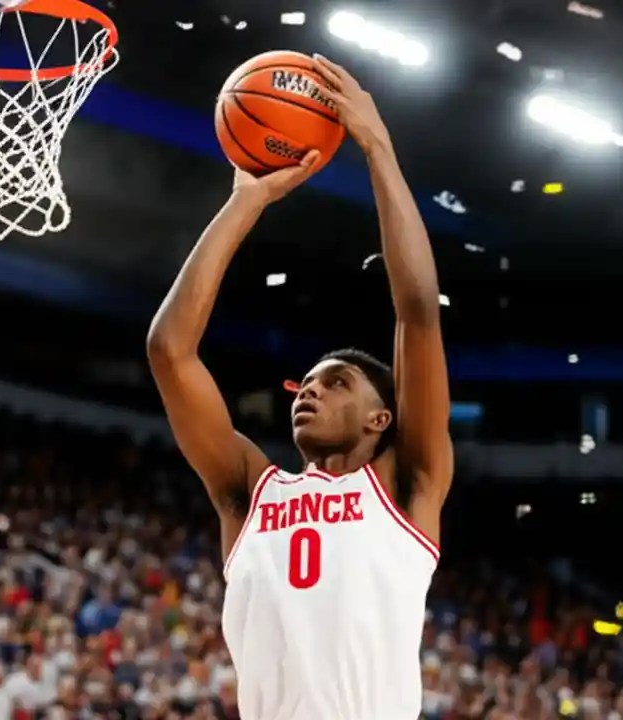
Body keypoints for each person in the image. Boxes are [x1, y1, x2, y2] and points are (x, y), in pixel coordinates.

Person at [146, 54, 452, 720]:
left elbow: (418, 310)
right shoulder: (250, 491)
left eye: (336, 384)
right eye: (305, 385)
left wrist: (378, 148)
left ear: (381, 420)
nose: (308, 393)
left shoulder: (407, 485)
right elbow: (170, 352)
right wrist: (244, 201)